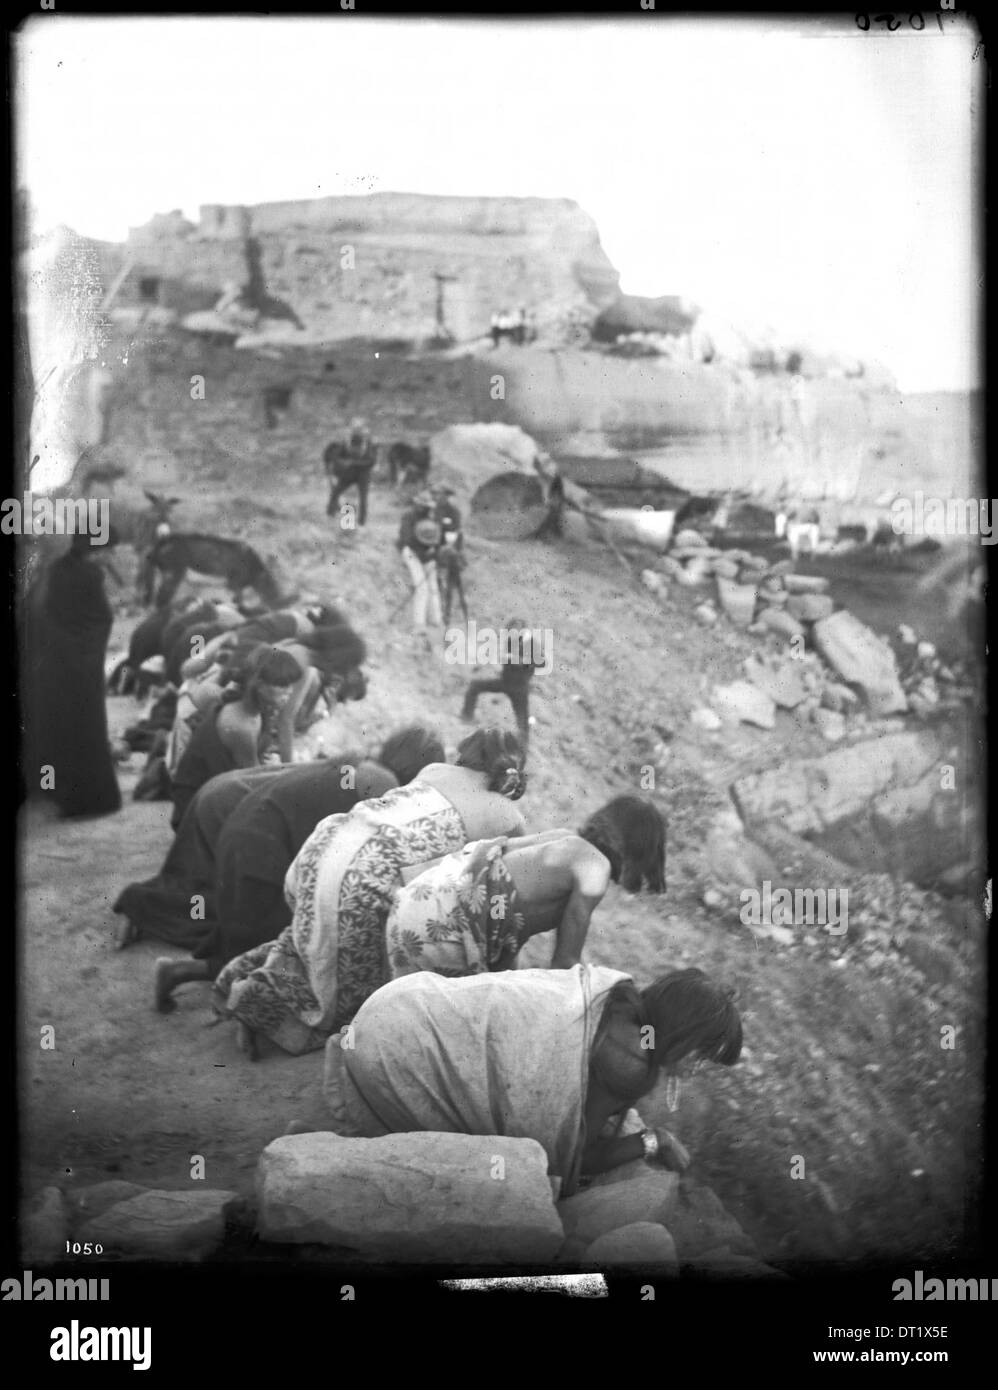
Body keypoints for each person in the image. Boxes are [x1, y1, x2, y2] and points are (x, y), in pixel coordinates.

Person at [212, 727, 528, 1058]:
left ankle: (250, 987)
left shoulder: (433, 771)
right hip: (365, 873)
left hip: (328, 844)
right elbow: (518, 885)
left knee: (312, 948)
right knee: (351, 1000)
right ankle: (261, 1008)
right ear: (511, 774)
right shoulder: (506, 815)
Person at [323, 964, 742, 1198]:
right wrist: (654, 1141)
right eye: (703, 1054)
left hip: (397, 1002)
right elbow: (577, 1161)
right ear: (683, 1034)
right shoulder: (629, 1061)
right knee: (509, 1186)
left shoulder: (615, 995)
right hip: (392, 1052)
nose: (701, 1068)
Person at [150, 726, 447, 1010]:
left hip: (244, 836)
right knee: (277, 944)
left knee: (253, 933)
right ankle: (184, 975)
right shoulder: (383, 783)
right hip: (258, 848)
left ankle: (185, 972)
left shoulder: (363, 766)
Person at [386, 797, 666, 979]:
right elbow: (564, 964)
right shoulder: (596, 868)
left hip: (416, 903)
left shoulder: (563, 838)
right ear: (636, 852)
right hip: (440, 936)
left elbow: (508, 918)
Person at [22, 531, 121, 818]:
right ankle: (84, 801)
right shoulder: (88, 575)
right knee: (83, 730)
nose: (110, 556)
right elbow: (97, 619)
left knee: (54, 728)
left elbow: (35, 614)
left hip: (50, 666)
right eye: (109, 550)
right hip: (78, 671)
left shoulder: (55, 570)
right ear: (96, 548)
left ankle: (49, 789)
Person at [169, 644, 303, 830]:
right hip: (196, 809)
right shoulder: (239, 725)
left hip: (219, 791)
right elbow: (255, 783)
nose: (289, 692)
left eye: (291, 685)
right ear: (259, 684)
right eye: (282, 685)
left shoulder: (255, 709)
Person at [460, 617, 539, 748]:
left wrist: (513, 658)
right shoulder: (512, 640)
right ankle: (467, 717)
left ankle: (524, 745)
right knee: (475, 686)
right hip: (507, 682)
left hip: (519, 687)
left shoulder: (531, 644)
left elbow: (536, 661)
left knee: (522, 719)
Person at [397, 489, 443, 638]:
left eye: (427, 506)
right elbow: (406, 539)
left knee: (433, 587)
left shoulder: (432, 517)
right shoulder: (408, 516)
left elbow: (437, 537)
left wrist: (434, 552)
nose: (424, 508)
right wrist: (422, 553)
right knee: (421, 587)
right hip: (411, 552)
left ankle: (436, 620)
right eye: (422, 505)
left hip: (428, 553)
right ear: (417, 504)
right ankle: (419, 624)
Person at [433, 484, 467, 624]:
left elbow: (458, 532)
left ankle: (447, 612)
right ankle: (439, 612)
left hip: (451, 549)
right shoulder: (434, 511)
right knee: (437, 582)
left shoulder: (454, 512)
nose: (439, 497)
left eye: (442, 495)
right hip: (436, 549)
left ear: (447, 497)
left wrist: (454, 549)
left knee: (452, 581)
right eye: (438, 495)